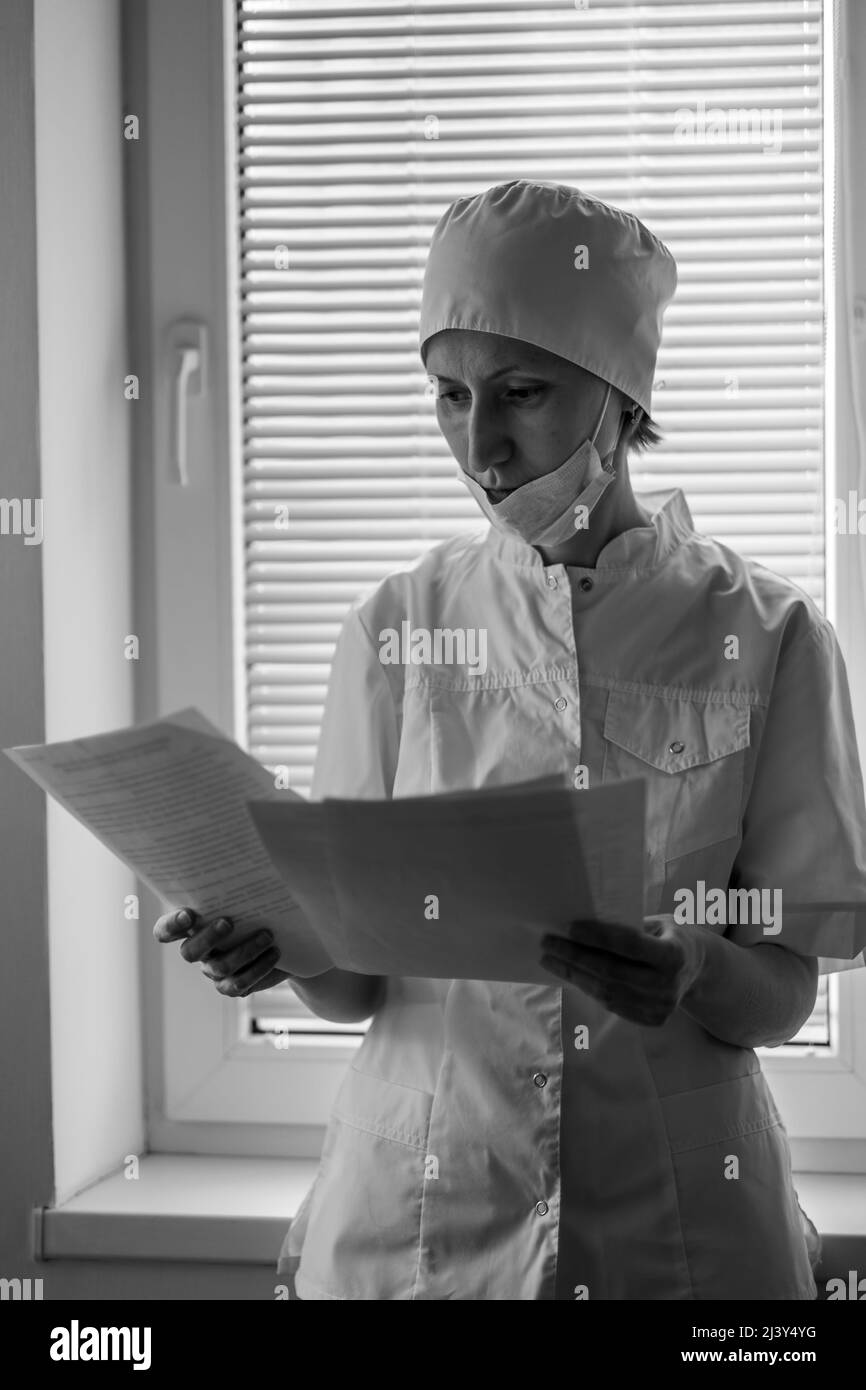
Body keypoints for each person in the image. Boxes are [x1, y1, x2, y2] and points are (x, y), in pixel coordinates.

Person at [155, 180, 866, 1300]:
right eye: (447, 396)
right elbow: (355, 986)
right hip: (421, 1223)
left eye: (521, 392)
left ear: (622, 395)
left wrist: (691, 965)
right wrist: (277, 947)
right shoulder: (394, 629)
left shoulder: (764, 634)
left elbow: (781, 985)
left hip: (673, 1231)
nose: (479, 443)